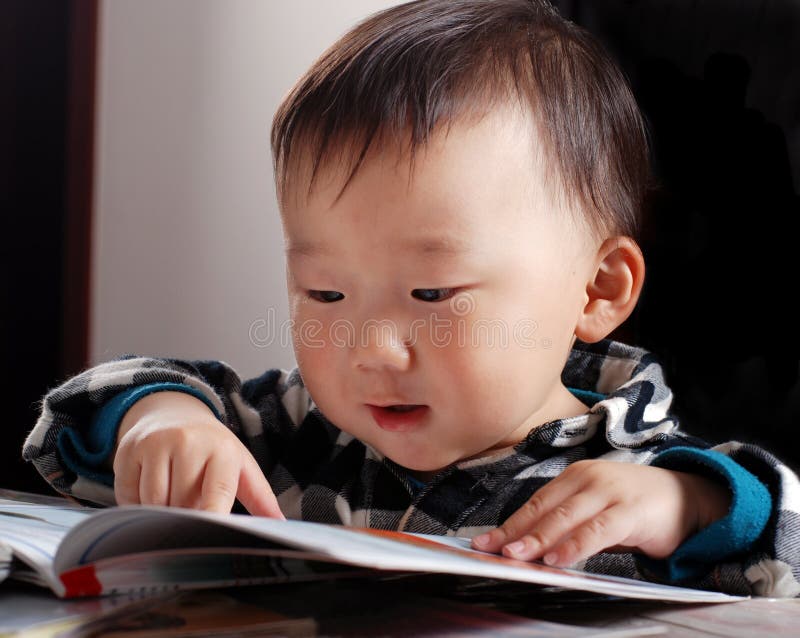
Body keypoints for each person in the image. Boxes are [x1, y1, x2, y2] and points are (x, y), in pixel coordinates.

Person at [23, 0, 800, 597]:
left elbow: (779, 545)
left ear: (597, 290)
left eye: (432, 292)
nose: (370, 350)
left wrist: (690, 505)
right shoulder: (302, 436)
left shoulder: (629, 473)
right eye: (324, 292)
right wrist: (161, 420)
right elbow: (76, 418)